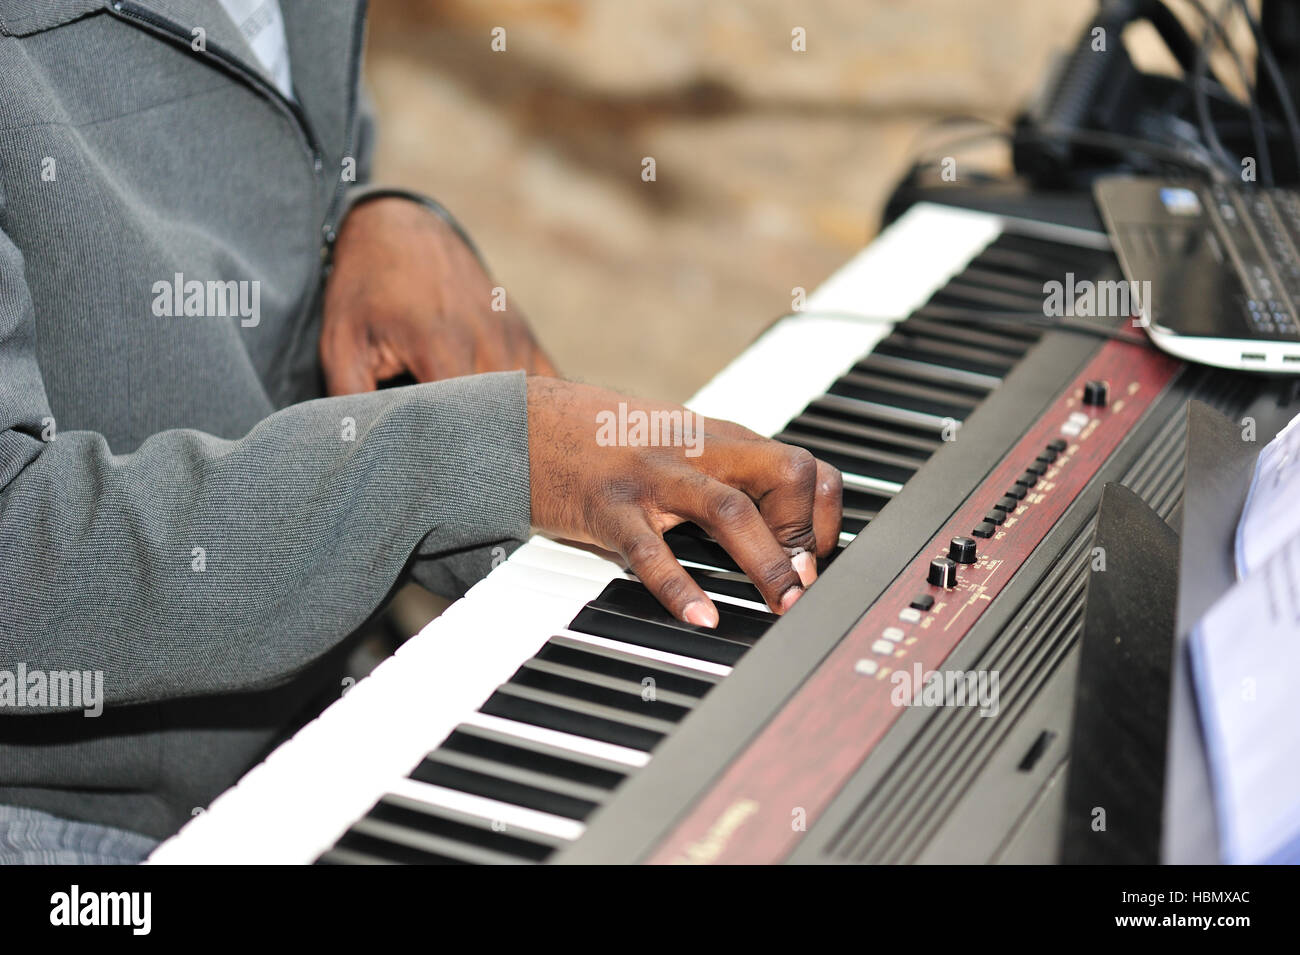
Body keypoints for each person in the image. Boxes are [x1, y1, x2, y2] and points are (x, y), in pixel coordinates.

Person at [0, 0, 841, 862]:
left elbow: (237, 190)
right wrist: (476, 451)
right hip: (80, 817)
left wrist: (365, 224)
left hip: (322, 698)